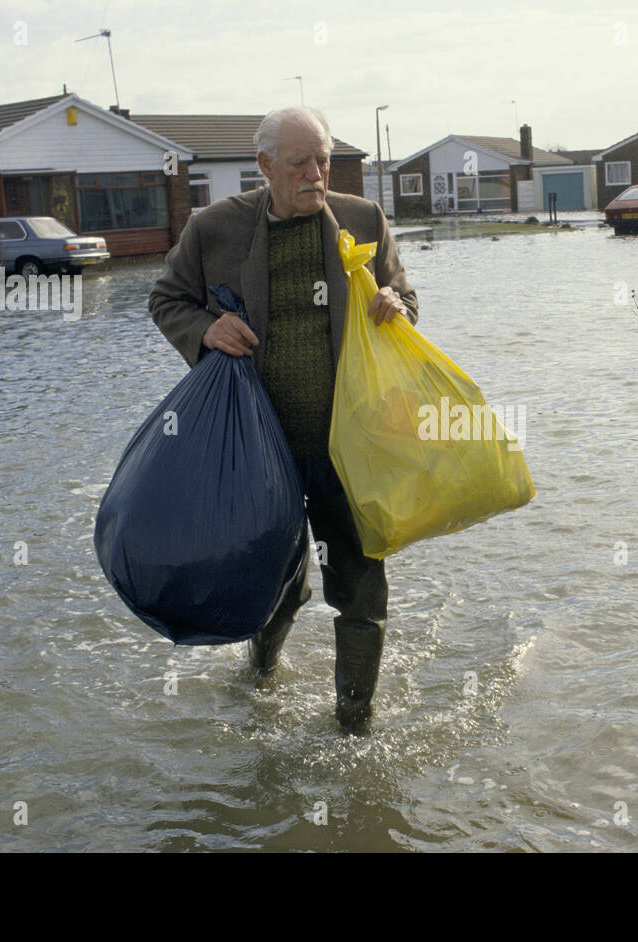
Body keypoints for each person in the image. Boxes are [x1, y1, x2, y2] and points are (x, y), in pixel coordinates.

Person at [148, 106, 418, 734]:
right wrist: (205, 327)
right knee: (275, 581)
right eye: (300, 162)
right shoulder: (214, 229)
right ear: (265, 165)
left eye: (322, 159)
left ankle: (354, 726)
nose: (315, 173)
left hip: (345, 444)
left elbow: (406, 297)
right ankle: (260, 679)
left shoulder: (363, 219)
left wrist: (393, 303)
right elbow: (166, 298)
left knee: (359, 587)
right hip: (257, 448)